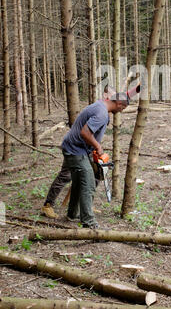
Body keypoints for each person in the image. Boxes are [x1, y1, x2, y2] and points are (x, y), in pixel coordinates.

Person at [41, 93, 129, 228]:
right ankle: (88, 222)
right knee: (88, 183)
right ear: (118, 104)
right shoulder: (101, 113)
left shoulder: (101, 106)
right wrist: (97, 146)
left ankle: (72, 214)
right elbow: (85, 133)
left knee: (78, 182)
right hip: (76, 151)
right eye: (122, 109)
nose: (121, 111)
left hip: (76, 148)